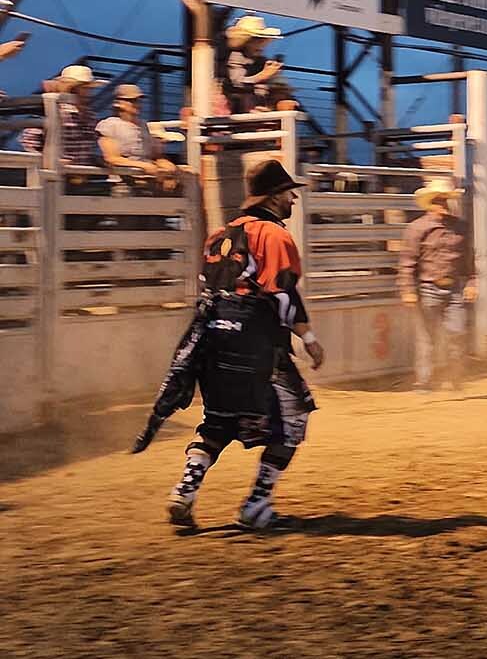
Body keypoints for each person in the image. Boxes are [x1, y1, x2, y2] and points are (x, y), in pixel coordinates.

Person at [131, 159, 325, 530]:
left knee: (218, 420)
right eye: (289, 194)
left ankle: (185, 489)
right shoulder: (275, 236)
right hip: (256, 343)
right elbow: (282, 292)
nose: (293, 201)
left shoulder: (218, 235)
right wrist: (309, 338)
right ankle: (257, 503)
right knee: (295, 414)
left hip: (213, 339)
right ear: (273, 197)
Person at [398, 178, 476, 391]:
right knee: (427, 337)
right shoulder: (417, 229)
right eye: (438, 200)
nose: (442, 204)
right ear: (430, 202)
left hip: (455, 289)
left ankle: (455, 377)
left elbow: (469, 259)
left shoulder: (462, 228)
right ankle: (424, 381)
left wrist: (471, 282)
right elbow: (407, 262)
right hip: (428, 287)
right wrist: (408, 290)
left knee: (457, 333)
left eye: (445, 200)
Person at [97, 84, 177, 181]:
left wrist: (164, 163)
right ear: (118, 103)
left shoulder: (143, 125)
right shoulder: (109, 125)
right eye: (132, 101)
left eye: (139, 100)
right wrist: (143, 165)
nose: (137, 104)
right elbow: (112, 158)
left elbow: (154, 155)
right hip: (122, 182)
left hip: (146, 181)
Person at [223, 15, 288, 115]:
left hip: (257, 115)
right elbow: (237, 83)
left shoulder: (262, 61)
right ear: (245, 41)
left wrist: (276, 82)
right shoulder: (236, 57)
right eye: (256, 40)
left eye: (263, 40)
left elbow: (276, 89)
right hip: (235, 115)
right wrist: (262, 76)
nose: (261, 45)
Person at [54, 65, 105, 167]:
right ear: (72, 89)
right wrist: (52, 161)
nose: (88, 92)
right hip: (57, 176)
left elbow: (88, 147)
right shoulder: (55, 110)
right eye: (84, 88)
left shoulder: (90, 116)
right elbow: (30, 140)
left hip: (82, 174)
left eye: (89, 88)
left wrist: (96, 160)